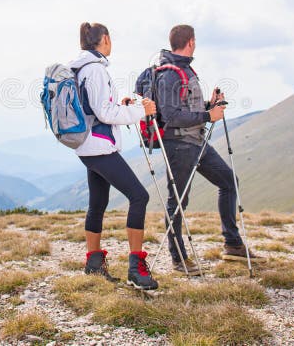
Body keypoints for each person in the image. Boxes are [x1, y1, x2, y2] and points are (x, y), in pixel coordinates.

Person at [155, 24, 259, 275]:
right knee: (178, 200)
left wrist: (209, 104)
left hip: (196, 141)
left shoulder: (184, 68)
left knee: (228, 181)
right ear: (190, 41)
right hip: (179, 145)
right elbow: (170, 115)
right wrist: (208, 115)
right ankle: (178, 258)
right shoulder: (170, 73)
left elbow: (184, 106)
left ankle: (232, 244)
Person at [69, 22, 159, 290]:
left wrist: (123, 107)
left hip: (87, 145)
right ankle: (136, 268)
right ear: (105, 39)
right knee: (139, 196)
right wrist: (141, 112)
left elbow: (99, 109)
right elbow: (104, 114)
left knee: (98, 203)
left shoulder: (81, 68)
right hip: (99, 145)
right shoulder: (96, 70)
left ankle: (94, 264)